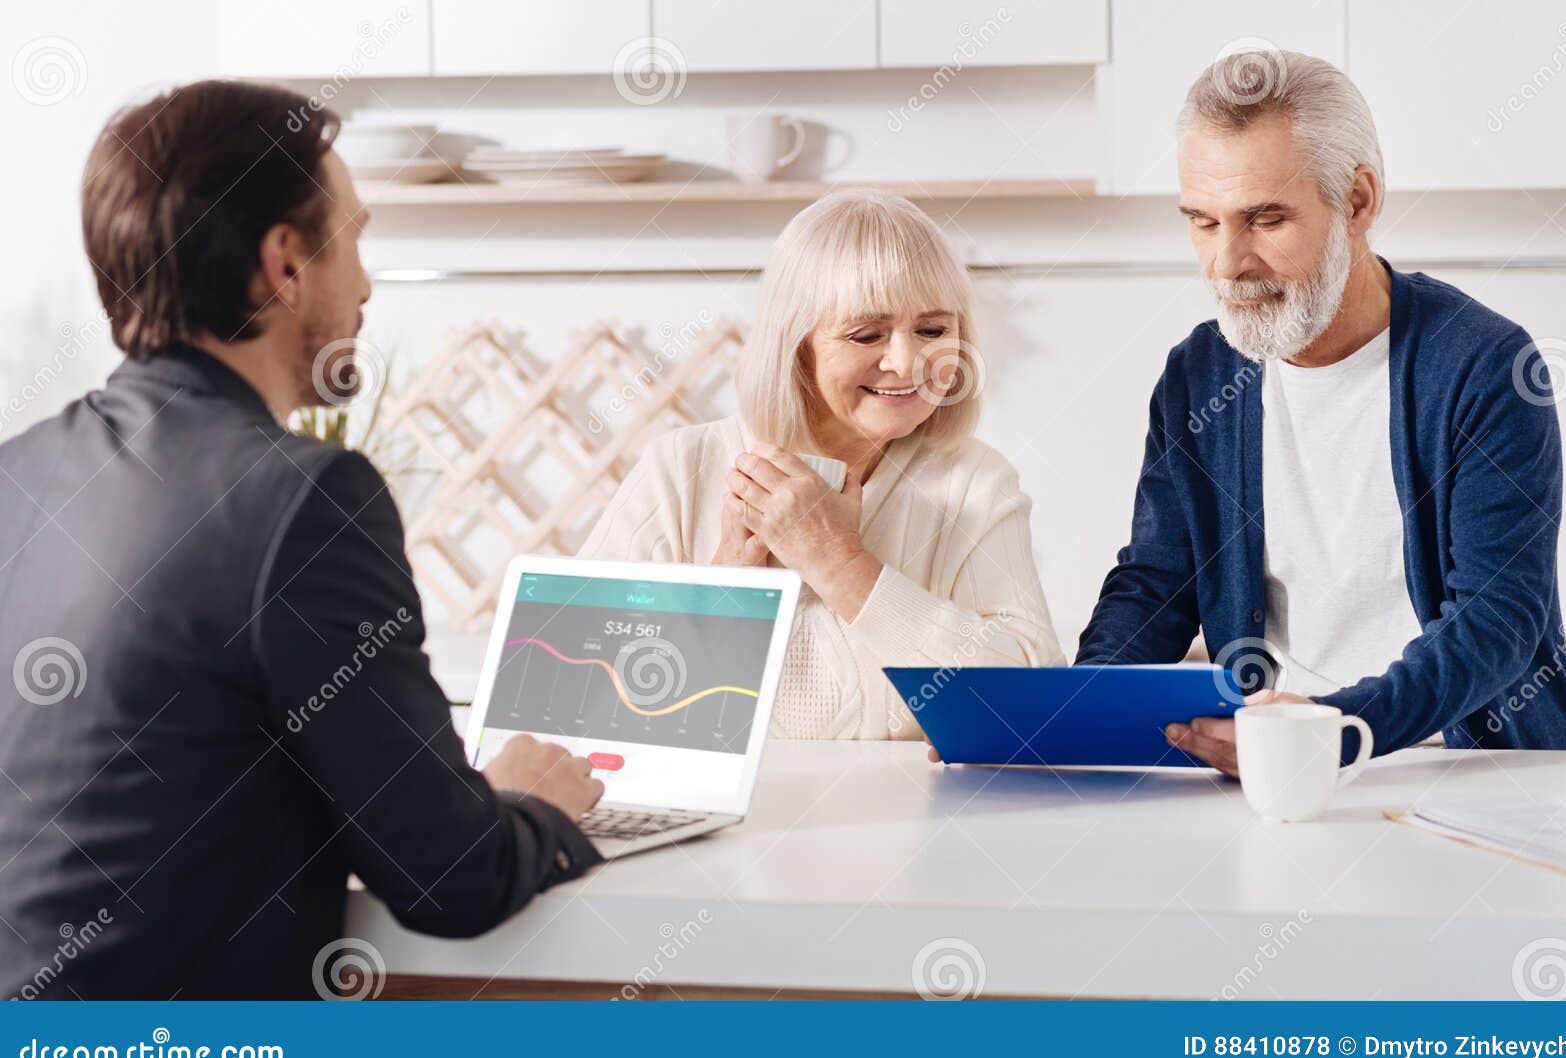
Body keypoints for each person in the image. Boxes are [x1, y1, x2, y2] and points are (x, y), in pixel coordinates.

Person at [0, 80, 604, 1000]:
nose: (363, 284)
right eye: (353, 238)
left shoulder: (21, 472)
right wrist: (533, 803)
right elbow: (450, 877)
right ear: (284, 263)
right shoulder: (305, 499)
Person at [1075, 51, 1566, 773]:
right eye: (1203, 223)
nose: (1227, 264)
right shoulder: (1198, 376)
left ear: (1359, 201)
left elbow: (1496, 623)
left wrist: (1336, 730)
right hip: (1278, 776)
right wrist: (1071, 713)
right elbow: (1156, 585)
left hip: (1468, 776)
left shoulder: (1484, 366)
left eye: (1265, 219)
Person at [582, 190, 1063, 739]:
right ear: (796, 345)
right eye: (866, 334)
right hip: (725, 824)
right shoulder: (681, 468)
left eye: (932, 330)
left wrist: (837, 560)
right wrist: (728, 587)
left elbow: (1034, 709)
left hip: (922, 822)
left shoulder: (975, 480)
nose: (906, 362)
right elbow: (574, 699)